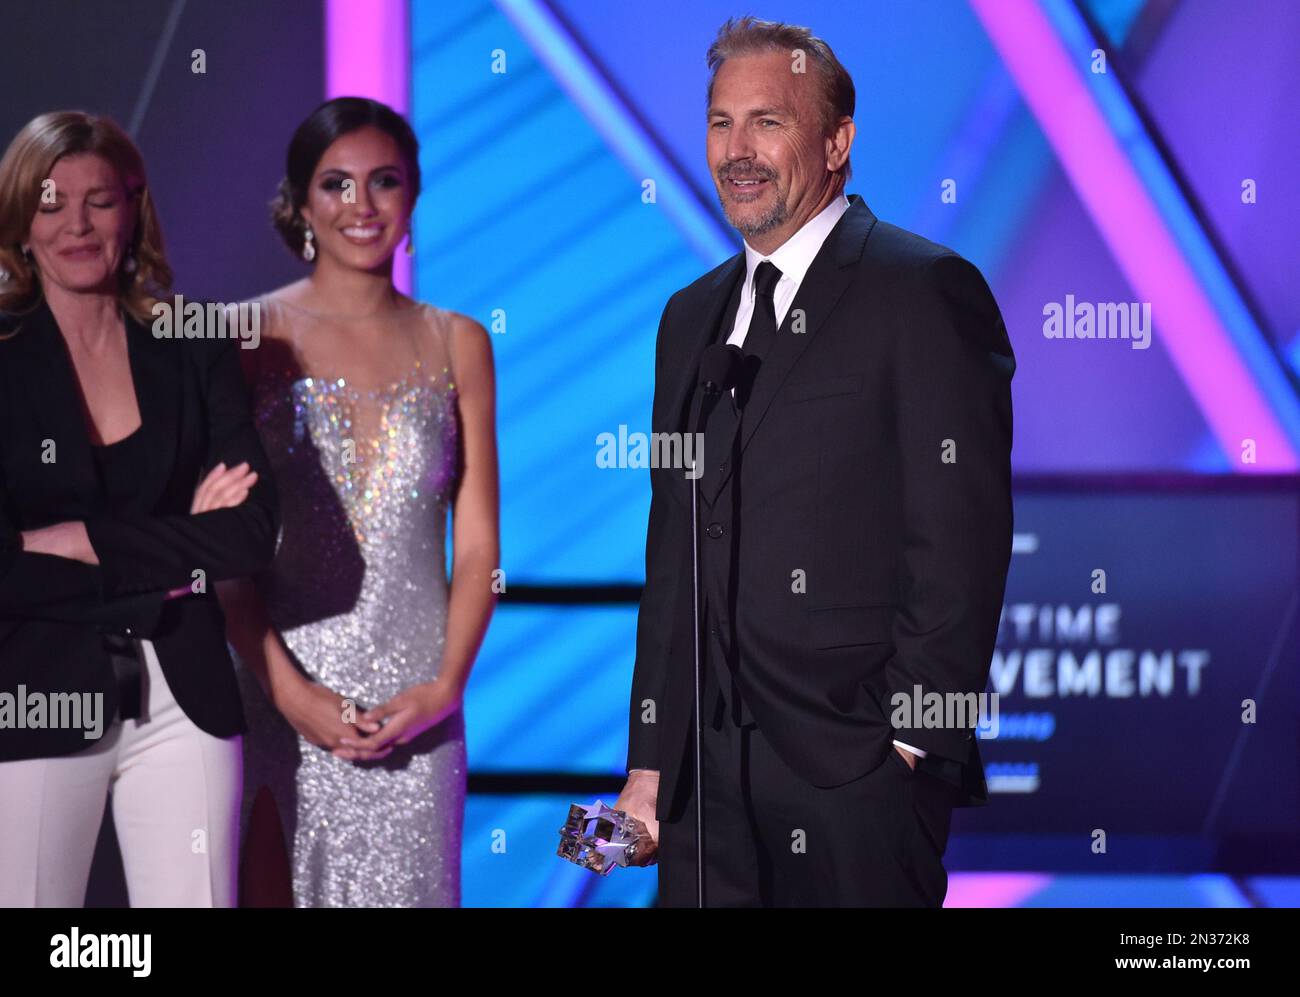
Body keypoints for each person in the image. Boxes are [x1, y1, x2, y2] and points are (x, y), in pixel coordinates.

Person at [614, 17, 1015, 906]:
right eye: (721, 122)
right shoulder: (690, 317)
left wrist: (908, 747)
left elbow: (961, 536)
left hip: (855, 774)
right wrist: (651, 760)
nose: (737, 150)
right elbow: (671, 559)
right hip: (704, 788)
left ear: (837, 142)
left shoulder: (920, 289)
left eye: (768, 122)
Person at [220, 97, 499, 907]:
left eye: (384, 182)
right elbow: (224, 551)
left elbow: (478, 541)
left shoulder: (460, 341)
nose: (361, 205)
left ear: (412, 196)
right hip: (286, 700)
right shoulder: (246, 337)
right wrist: (290, 693)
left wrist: (445, 687)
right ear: (300, 204)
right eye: (335, 184)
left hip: (419, 710)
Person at [0, 111, 279, 906]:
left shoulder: (194, 341)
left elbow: (249, 532)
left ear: (135, 209)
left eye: (101, 200)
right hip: (36, 691)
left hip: (182, 691)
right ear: (22, 220)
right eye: (53, 203)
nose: (78, 225)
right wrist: (174, 548)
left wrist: (82, 539)